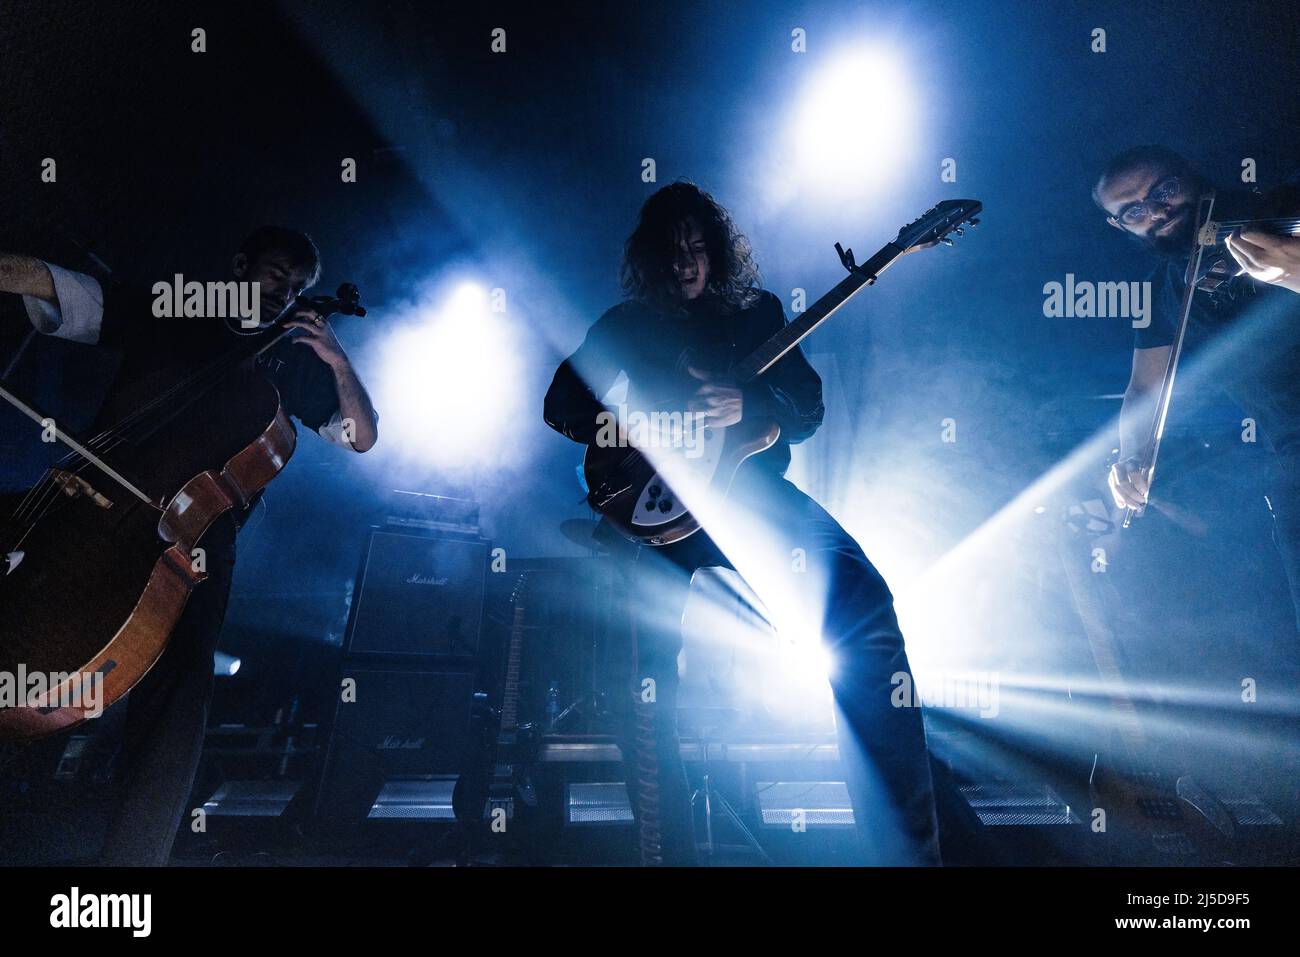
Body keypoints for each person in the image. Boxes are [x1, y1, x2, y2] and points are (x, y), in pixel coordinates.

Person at [543, 182, 940, 865]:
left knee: (865, 610)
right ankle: (668, 853)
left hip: (750, 493)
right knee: (637, 679)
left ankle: (908, 853)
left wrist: (746, 401)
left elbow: (809, 410)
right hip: (653, 507)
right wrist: (650, 407)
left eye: (698, 248)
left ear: (718, 254)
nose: (685, 263)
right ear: (650, 260)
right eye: (671, 252)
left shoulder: (757, 314)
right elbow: (561, 407)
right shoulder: (624, 326)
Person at [0, 225, 378, 864]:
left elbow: (362, 436)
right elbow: (67, 289)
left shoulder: (292, 363)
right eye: (274, 272)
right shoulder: (178, 310)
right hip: (80, 494)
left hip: (188, 538)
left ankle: (131, 866)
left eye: (297, 286)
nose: (283, 291)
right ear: (238, 263)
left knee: (177, 687)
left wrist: (339, 362)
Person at [1094, 146, 1300, 631]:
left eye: (1165, 190)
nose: (1159, 211)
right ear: (1121, 226)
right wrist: (1131, 456)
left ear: (1192, 172)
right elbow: (1145, 389)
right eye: (1136, 211)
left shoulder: (1283, 208)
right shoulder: (1164, 288)